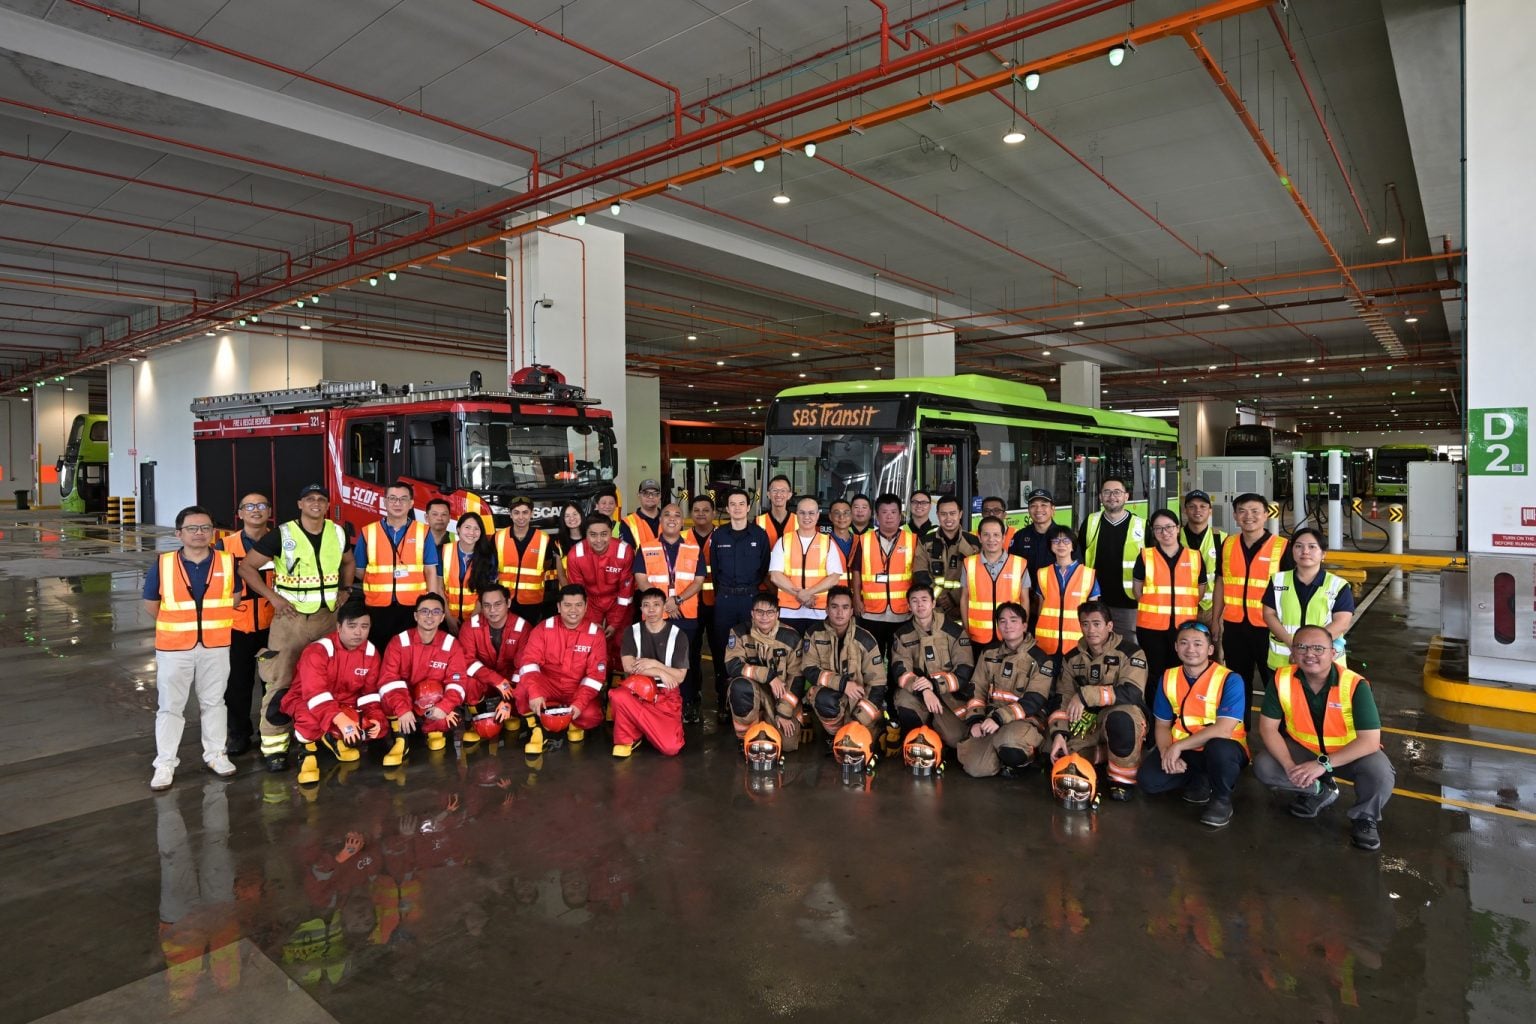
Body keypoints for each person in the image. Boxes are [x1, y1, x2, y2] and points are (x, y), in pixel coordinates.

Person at [237, 483, 356, 773]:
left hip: (328, 618)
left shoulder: (337, 532)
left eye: (321, 499)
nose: (316, 503)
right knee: (281, 682)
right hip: (291, 621)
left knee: (328, 682)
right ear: (300, 504)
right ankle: (275, 746)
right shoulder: (283, 534)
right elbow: (246, 568)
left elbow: (349, 561)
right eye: (310, 499)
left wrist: (346, 588)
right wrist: (273, 598)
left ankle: (319, 735)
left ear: (327, 505)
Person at [1253, 625, 1394, 851]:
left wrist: (1322, 764)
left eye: (1318, 648)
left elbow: (1369, 740)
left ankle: (1365, 818)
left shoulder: (1355, 684)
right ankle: (1319, 791)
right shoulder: (1282, 679)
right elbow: (1268, 728)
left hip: (1347, 754)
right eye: (1302, 647)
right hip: (1304, 749)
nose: (1310, 654)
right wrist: (1290, 765)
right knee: (1265, 765)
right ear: (1293, 652)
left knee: (1379, 771)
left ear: (1333, 653)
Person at [145, 505, 240, 790]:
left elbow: (233, 599)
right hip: (174, 648)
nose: (199, 533)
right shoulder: (162, 564)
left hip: (216, 646)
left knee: (214, 703)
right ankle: (164, 764)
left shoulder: (227, 562)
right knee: (170, 707)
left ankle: (216, 755)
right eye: (192, 528)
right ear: (179, 533)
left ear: (213, 532)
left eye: (205, 528)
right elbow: (152, 605)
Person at [1138, 621, 1249, 829]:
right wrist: (1166, 753)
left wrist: (1177, 747)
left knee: (1219, 749)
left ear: (1210, 649)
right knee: (1149, 782)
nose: (1190, 649)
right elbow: (1162, 725)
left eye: (1198, 644)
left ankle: (1221, 799)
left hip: (1223, 748)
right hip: (1187, 750)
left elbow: (1224, 729)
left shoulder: (1230, 679)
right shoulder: (1168, 678)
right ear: (1176, 647)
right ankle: (1199, 778)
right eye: (1184, 643)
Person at [1036, 600, 1149, 801]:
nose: (1090, 630)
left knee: (1121, 720)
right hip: (1087, 721)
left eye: (1097, 624)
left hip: (1121, 715)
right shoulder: (1072, 658)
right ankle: (1105, 753)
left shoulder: (1131, 652)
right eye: (1085, 624)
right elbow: (1063, 697)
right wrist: (1060, 733)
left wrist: (1085, 695)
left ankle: (1121, 781)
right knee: (1056, 756)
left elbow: (1132, 692)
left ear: (1109, 626)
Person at [378, 593, 510, 757]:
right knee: (386, 697)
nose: (429, 616)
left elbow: (458, 682)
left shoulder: (450, 644)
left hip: (434, 702)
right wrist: (403, 709)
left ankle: (435, 732)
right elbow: (388, 681)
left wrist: (445, 707)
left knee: (439, 691)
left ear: (442, 617)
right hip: (405, 702)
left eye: (435, 612)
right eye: (424, 611)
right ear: (415, 615)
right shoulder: (399, 642)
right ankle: (401, 740)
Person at [280, 603, 388, 785]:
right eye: (352, 626)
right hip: (306, 700)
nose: (358, 633)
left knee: (369, 724)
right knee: (310, 717)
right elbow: (315, 695)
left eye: (364, 627)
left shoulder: (371, 653)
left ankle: (332, 738)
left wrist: (374, 718)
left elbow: (370, 695)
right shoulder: (317, 651)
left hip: (345, 704)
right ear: (339, 627)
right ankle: (308, 754)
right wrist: (340, 719)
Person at [1213, 493, 1288, 708]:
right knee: (1237, 684)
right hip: (1235, 628)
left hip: (1269, 628)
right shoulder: (1228, 544)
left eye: (1255, 511)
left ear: (1266, 515)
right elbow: (1221, 582)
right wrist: (1216, 619)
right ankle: (1239, 733)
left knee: (1273, 684)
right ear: (1235, 516)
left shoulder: (1282, 547)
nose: (1249, 516)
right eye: (1242, 511)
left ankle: (1281, 732)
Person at [955, 602, 1048, 777]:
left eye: (1013, 620)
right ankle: (998, 756)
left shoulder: (1041, 659)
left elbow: (1033, 701)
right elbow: (977, 688)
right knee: (975, 769)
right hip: (990, 720)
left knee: (1011, 746)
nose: (1008, 625)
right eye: (1002, 621)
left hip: (1023, 721)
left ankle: (1025, 759)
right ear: (998, 626)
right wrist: (975, 719)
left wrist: (999, 718)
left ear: (1024, 625)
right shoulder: (988, 653)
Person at [517, 585, 610, 755]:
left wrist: (579, 704)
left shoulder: (595, 634)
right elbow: (528, 663)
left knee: (591, 716)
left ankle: (571, 723)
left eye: (578, 605)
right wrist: (535, 692)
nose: (573, 610)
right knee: (523, 692)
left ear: (586, 606)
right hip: (548, 687)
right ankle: (537, 729)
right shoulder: (543, 628)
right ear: (559, 607)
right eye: (567, 605)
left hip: (576, 690)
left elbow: (595, 677)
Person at [632, 504, 704, 721]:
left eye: (677, 515)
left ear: (683, 522)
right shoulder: (645, 547)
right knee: (655, 660)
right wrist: (665, 604)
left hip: (686, 616)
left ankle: (687, 703)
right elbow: (641, 579)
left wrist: (678, 601)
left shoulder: (693, 547)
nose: (672, 519)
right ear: (660, 521)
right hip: (656, 617)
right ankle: (656, 703)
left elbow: (698, 581)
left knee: (685, 661)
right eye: (667, 515)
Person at [216, 492, 273, 757]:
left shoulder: (283, 542)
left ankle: (269, 731)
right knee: (237, 685)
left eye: (261, 505)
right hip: (236, 626)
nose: (256, 510)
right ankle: (238, 734)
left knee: (272, 683)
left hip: (274, 624)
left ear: (269, 511)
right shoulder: (224, 547)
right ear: (239, 514)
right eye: (249, 506)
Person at [355, 480, 442, 650]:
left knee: (409, 651)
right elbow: (359, 571)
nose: (397, 503)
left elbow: (430, 570)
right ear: (385, 502)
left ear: (411, 504)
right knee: (378, 650)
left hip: (413, 606)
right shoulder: (368, 532)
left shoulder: (423, 532)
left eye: (403, 499)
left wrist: (430, 603)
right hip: (377, 606)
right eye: (392, 498)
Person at [709, 489, 772, 722]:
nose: (736, 508)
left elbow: (764, 568)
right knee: (721, 650)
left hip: (750, 600)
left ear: (748, 507)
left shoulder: (760, 535)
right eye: (732, 504)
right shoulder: (719, 536)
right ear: (727, 508)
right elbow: (714, 571)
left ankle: (752, 700)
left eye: (741, 504)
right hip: (725, 600)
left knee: (752, 649)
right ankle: (723, 700)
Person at [889, 578, 975, 749]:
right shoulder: (903, 634)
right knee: (905, 703)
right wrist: (926, 689)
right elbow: (900, 670)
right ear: (909, 606)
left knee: (954, 738)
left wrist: (935, 686)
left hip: (948, 695)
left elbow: (965, 670)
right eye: (914, 601)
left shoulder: (954, 631)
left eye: (924, 600)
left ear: (933, 602)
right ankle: (916, 742)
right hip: (917, 693)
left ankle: (935, 731)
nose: (920, 605)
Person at [797, 587, 886, 745]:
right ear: (826, 609)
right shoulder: (813, 633)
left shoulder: (865, 639)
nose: (840, 612)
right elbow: (809, 669)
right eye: (834, 606)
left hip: (860, 700)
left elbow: (878, 683)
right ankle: (835, 735)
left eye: (845, 607)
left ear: (852, 610)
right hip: (832, 698)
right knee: (822, 697)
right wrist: (843, 684)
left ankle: (855, 729)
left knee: (862, 744)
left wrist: (859, 719)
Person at [1263, 528, 1354, 672]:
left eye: (1312, 546)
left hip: (1324, 664)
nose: (1305, 551)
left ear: (1323, 554)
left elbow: (1341, 623)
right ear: (1292, 551)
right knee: (1284, 694)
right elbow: (1268, 614)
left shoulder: (1338, 585)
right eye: (1298, 546)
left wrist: (1306, 651)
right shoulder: (1278, 580)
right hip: (1283, 662)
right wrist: (1294, 646)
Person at [612, 589, 689, 758]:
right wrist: (661, 672)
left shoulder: (679, 636)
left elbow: (680, 676)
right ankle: (629, 737)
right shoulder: (631, 632)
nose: (651, 610)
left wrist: (654, 664)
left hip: (666, 696)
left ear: (664, 608)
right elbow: (628, 667)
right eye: (646, 606)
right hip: (637, 692)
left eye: (656, 605)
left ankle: (641, 725)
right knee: (619, 696)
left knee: (671, 748)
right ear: (640, 609)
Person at [1133, 509, 1207, 685]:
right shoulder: (1145, 556)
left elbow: (1200, 590)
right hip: (1151, 628)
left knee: (1180, 673)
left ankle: (1178, 710)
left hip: (1184, 627)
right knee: (1154, 674)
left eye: (1169, 527)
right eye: (1158, 529)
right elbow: (1137, 591)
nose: (1164, 532)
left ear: (1178, 528)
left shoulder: (1195, 557)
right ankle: (1154, 711)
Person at [724, 594, 806, 750]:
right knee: (739, 686)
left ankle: (767, 719)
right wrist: (768, 676)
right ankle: (745, 736)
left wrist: (784, 712)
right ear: (752, 613)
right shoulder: (739, 632)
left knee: (787, 745)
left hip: (780, 697)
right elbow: (733, 665)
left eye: (770, 612)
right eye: (760, 612)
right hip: (752, 692)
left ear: (777, 614)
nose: (764, 617)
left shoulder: (791, 637)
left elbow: (797, 679)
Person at [561, 514, 635, 669]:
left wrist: (615, 623)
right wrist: (591, 621)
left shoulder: (624, 551)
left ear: (611, 533)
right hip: (591, 602)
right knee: (591, 641)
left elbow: (625, 593)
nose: (599, 540)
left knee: (622, 643)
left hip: (618, 601)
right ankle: (597, 681)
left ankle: (618, 683)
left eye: (604, 534)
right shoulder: (575, 554)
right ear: (585, 534)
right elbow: (578, 594)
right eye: (593, 535)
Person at [457, 583, 531, 737]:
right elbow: (466, 661)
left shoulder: (523, 627)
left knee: (528, 682)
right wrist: (496, 679)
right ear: (481, 607)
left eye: (498, 604)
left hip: (512, 683)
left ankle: (513, 713)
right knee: (468, 682)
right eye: (487, 605)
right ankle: (477, 719)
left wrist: (509, 700)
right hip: (485, 681)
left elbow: (523, 667)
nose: (492, 610)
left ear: (508, 603)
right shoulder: (469, 627)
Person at [850, 493, 917, 653]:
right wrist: (856, 598)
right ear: (877, 516)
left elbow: (917, 573)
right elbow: (856, 570)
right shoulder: (864, 540)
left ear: (900, 516)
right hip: (871, 612)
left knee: (900, 657)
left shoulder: (912, 540)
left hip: (902, 612)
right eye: (884, 512)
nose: (889, 517)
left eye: (893, 512)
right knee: (873, 658)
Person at [768, 495, 845, 633]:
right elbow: (775, 575)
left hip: (819, 611)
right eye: (802, 512)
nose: (806, 517)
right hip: (788, 612)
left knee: (818, 653)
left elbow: (834, 577)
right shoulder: (784, 541)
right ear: (796, 514)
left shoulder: (827, 542)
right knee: (789, 652)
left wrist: (808, 593)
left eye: (811, 513)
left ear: (817, 515)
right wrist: (801, 595)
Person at [1082, 476, 1145, 639]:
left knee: (1128, 648)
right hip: (1096, 601)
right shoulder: (1090, 522)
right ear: (1100, 497)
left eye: (1117, 492)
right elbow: (1079, 558)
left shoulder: (1142, 525)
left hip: (1129, 603)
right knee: (1097, 647)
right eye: (1107, 492)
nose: (1112, 496)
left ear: (1126, 496)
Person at [1031, 524, 1098, 675]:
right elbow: (1041, 608)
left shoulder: (1088, 574)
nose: (1061, 544)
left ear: (1073, 546)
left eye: (1066, 541)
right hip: (1046, 644)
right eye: (1056, 541)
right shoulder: (1042, 573)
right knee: (1047, 686)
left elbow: (1094, 612)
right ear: (1050, 546)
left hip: (1077, 644)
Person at [958, 516, 1028, 649]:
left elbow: (1024, 600)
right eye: (986, 535)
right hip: (977, 636)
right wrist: (966, 629)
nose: (991, 539)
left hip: (1010, 634)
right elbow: (964, 598)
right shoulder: (969, 563)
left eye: (996, 535)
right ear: (979, 537)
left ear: (1003, 537)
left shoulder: (1020, 563)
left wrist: (1022, 629)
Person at [686, 494, 723, 725]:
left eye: (705, 510)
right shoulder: (681, 538)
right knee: (690, 654)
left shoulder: (723, 536)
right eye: (696, 510)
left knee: (720, 653)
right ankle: (691, 698)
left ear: (713, 512)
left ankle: (723, 700)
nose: (701, 514)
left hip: (717, 604)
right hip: (690, 605)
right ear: (691, 514)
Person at [495, 495, 557, 623]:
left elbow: (547, 564)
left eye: (525, 512)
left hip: (532, 602)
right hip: (504, 600)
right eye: (516, 513)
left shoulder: (543, 539)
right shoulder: (498, 537)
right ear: (510, 515)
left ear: (531, 514)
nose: (521, 517)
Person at [443, 511, 499, 632]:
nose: (471, 533)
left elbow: (487, 590)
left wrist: (473, 619)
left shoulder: (488, 556)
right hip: (446, 618)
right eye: (467, 527)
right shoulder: (444, 551)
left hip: (477, 618)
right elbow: (438, 588)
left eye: (476, 529)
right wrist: (448, 618)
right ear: (458, 529)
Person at [928, 494, 980, 621]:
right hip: (933, 608)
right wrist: (937, 599)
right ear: (937, 515)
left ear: (960, 514)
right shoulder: (925, 542)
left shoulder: (974, 542)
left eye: (952, 513)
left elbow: (978, 577)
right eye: (943, 514)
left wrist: (953, 598)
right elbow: (920, 575)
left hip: (963, 607)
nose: (948, 518)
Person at [1180, 490, 1224, 624]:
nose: (1197, 510)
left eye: (1203, 506)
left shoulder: (1222, 538)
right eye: (1192, 506)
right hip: (1182, 607)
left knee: (1217, 644)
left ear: (1210, 511)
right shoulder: (1174, 537)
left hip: (1213, 609)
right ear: (1185, 511)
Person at [1007, 488, 1057, 578]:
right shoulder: (1019, 537)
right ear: (1029, 510)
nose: (1038, 509)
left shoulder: (1064, 536)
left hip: (1054, 590)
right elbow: (1011, 567)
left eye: (1043, 505)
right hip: (1026, 590)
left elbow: (1075, 568)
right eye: (1033, 506)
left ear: (1053, 509)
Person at [620, 478, 665, 548]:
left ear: (660, 496)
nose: (650, 496)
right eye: (646, 493)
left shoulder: (669, 519)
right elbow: (626, 554)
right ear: (638, 495)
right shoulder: (628, 523)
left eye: (655, 493)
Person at [757, 475, 794, 547]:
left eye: (783, 490)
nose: (778, 494)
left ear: (789, 495)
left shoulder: (799, 521)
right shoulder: (758, 522)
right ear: (768, 494)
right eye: (774, 490)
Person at [826, 499, 859, 566]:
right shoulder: (823, 542)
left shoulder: (860, 541)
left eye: (846, 513)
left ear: (852, 516)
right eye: (837, 513)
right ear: (830, 516)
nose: (842, 517)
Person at [424, 497, 453, 565]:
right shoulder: (416, 540)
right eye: (435, 514)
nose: (439, 518)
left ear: (449, 518)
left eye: (444, 514)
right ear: (426, 517)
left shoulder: (459, 540)